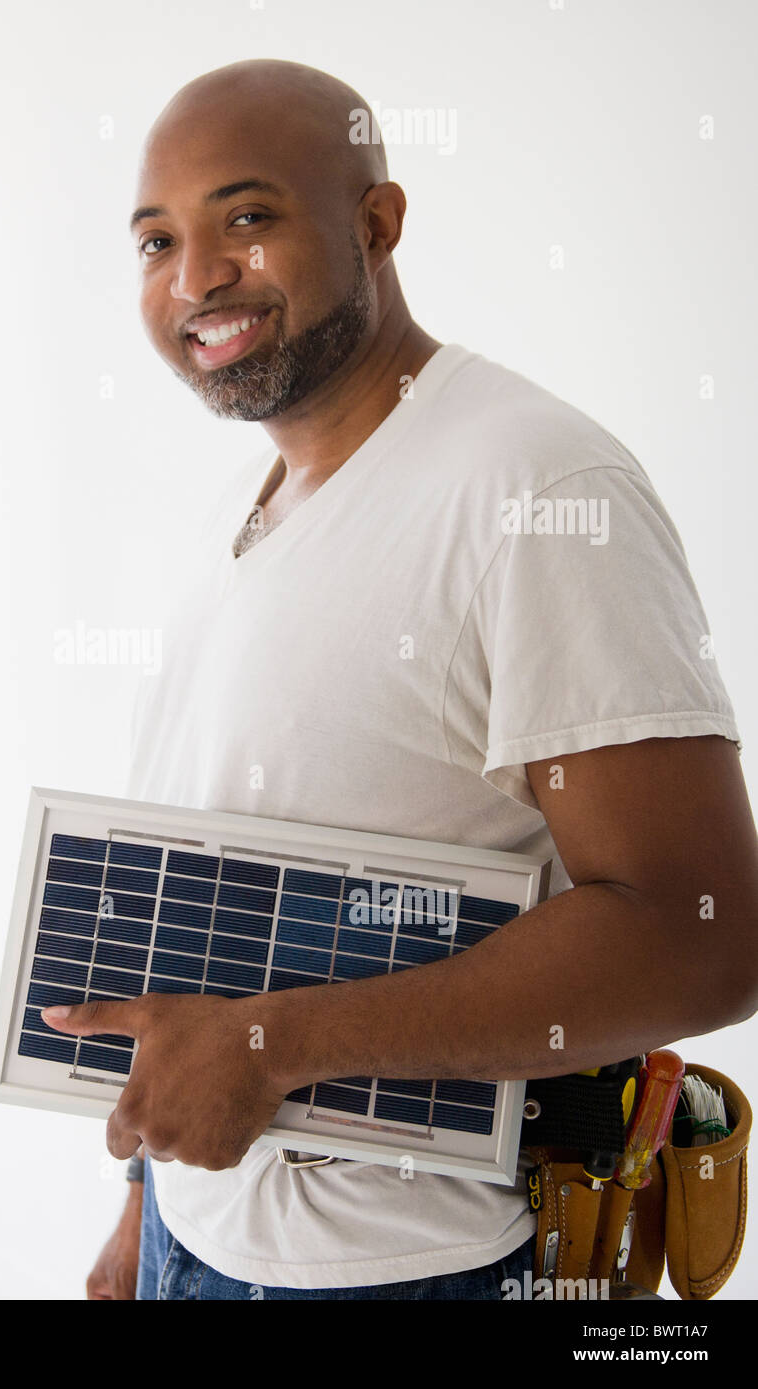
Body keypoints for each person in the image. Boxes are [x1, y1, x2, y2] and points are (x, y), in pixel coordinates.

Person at [45, 58, 758, 1300]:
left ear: (376, 223)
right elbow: (212, 900)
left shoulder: (533, 488)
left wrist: (269, 1047)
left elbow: (704, 940)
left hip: (413, 1270)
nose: (197, 276)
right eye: (157, 240)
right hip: (193, 1237)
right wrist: (142, 1210)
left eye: (247, 217)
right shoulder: (249, 508)